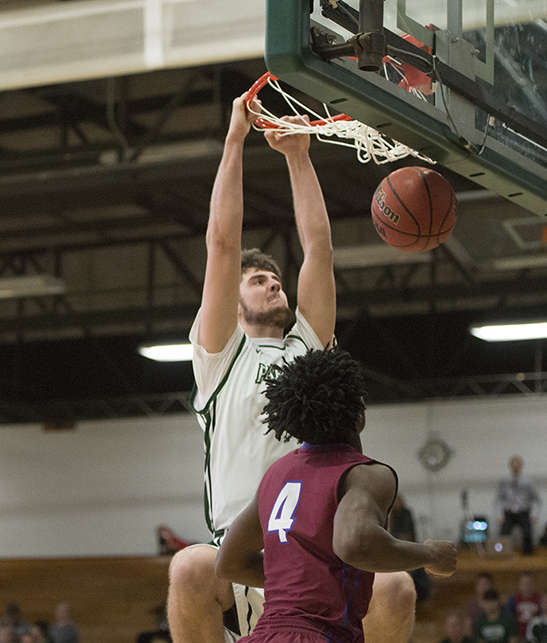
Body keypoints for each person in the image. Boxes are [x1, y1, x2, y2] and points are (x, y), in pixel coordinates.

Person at [167, 92, 415, 643]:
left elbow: (319, 247)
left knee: (397, 588)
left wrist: (298, 157)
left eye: (276, 279)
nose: (274, 282)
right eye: (258, 281)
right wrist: (234, 141)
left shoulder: (309, 347)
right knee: (187, 568)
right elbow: (222, 243)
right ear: (230, 305)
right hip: (240, 558)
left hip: (314, 559)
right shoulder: (219, 354)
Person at [214, 348, 457, 643]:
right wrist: (430, 555)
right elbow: (354, 543)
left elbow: (229, 563)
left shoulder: (276, 475)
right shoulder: (365, 474)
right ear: (359, 414)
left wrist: (299, 582)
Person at [494, 456, 540, 555]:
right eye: (513, 464)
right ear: (510, 466)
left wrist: (534, 513)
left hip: (523, 511)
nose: (515, 466)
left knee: (527, 533)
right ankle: (503, 554)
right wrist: (499, 515)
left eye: (517, 464)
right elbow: (499, 499)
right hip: (509, 512)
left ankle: (528, 556)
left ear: (520, 465)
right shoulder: (504, 481)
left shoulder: (528, 481)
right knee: (504, 534)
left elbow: (535, 498)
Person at [505, 571, 541, 638]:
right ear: (519, 585)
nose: (527, 587)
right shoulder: (513, 600)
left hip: (537, 636)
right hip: (519, 636)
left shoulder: (540, 599)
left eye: (529, 583)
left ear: (534, 585)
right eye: (524, 584)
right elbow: (509, 621)